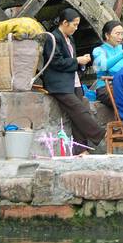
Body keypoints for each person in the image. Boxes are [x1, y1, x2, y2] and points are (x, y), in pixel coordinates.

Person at [41, 8, 104, 155]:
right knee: (79, 110)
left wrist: (81, 63)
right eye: (74, 25)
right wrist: (77, 60)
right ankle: (101, 134)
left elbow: (70, 62)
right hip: (59, 84)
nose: (76, 28)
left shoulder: (71, 39)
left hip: (73, 82)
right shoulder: (53, 38)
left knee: (77, 115)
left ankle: (81, 150)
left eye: (77, 25)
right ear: (64, 23)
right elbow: (55, 62)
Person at [88, 20, 123, 100]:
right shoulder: (98, 50)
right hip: (105, 88)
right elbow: (104, 66)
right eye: (117, 34)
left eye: (121, 34)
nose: (120, 37)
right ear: (107, 35)